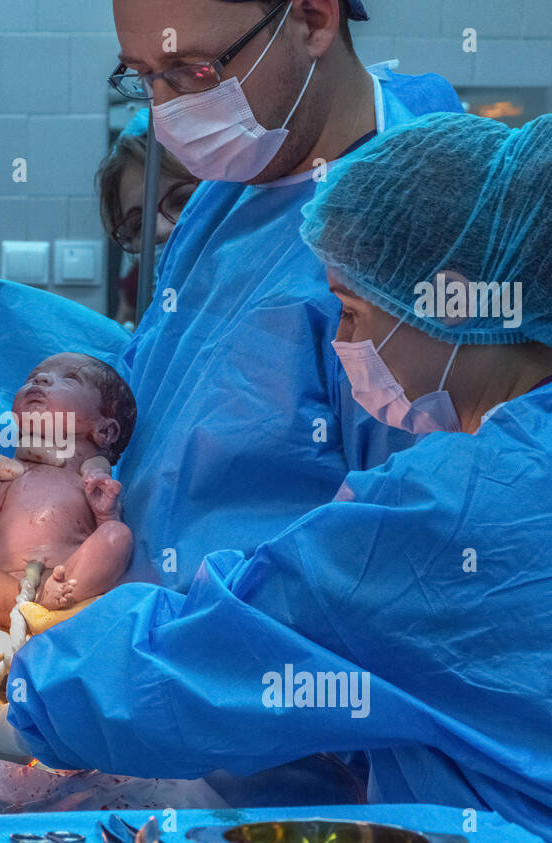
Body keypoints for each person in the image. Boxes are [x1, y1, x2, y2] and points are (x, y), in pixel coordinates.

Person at [0, 112, 552, 843]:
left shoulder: (445, 507)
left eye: (355, 313)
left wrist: (14, 716)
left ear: (456, 302)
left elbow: (220, 646)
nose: (343, 344)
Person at [108, 0, 465, 589]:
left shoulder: (410, 236)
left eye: (193, 71)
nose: (165, 108)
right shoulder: (227, 190)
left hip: (256, 657)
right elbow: (164, 377)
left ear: (315, 20)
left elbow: (400, 560)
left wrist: (152, 638)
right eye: (141, 76)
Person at [0, 353, 136, 663]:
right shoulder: (10, 476)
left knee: (117, 535)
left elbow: (106, 546)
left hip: (64, 585)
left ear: (105, 431)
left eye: (71, 378)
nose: (40, 380)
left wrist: (106, 513)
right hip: (6, 593)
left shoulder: (91, 483)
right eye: (33, 377)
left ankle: (50, 609)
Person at [96, 110, 198, 328]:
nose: (159, 230)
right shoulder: (139, 280)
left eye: (182, 201)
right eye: (139, 224)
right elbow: (123, 325)